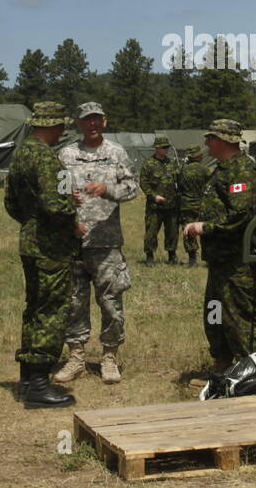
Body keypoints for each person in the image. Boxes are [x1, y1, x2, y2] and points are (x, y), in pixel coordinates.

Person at [3, 101, 86, 408]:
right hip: (51, 247)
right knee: (52, 311)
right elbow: (55, 205)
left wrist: (31, 220)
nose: (64, 130)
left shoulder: (22, 153)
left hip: (31, 241)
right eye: (62, 125)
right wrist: (72, 221)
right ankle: (39, 384)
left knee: (35, 308)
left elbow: (11, 201)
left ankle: (27, 377)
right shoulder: (46, 158)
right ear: (52, 126)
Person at [53, 101, 138, 385]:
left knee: (111, 301)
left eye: (96, 120)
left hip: (106, 242)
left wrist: (107, 189)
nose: (92, 124)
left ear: (105, 122)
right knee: (74, 302)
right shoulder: (67, 154)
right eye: (86, 120)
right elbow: (57, 189)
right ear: (78, 124)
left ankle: (109, 358)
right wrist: (69, 199)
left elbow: (131, 188)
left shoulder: (116, 152)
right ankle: (76, 357)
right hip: (73, 241)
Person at [183, 119, 256, 374]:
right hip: (220, 260)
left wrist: (204, 227)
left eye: (211, 138)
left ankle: (249, 371)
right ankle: (223, 363)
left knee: (238, 316)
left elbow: (240, 216)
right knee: (214, 313)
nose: (206, 144)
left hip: (237, 261)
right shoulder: (222, 169)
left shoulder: (243, 172)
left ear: (223, 141)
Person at [139, 135, 180, 266]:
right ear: (157, 148)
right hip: (155, 206)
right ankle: (150, 256)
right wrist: (153, 196)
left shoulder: (171, 163)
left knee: (172, 231)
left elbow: (177, 180)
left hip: (171, 205)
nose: (166, 149)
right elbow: (143, 183)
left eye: (167, 147)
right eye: (163, 147)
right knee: (151, 232)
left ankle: (172, 255)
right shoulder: (148, 164)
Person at [177, 145, 208, 268]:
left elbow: (178, 184)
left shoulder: (182, 170)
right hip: (201, 203)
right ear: (197, 156)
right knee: (205, 229)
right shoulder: (204, 170)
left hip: (186, 204)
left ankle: (192, 259)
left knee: (188, 230)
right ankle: (208, 258)